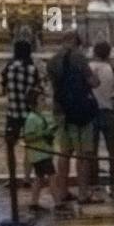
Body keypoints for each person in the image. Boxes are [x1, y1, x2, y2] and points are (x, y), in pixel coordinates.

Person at [46, 31, 100, 204]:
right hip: (81, 111)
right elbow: (93, 82)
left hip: (61, 110)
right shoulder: (79, 58)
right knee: (82, 154)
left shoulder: (53, 60)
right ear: (77, 43)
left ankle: (63, 191)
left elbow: (53, 85)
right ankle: (83, 192)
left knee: (64, 153)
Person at [0, 39, 41, 186]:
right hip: (29, 113)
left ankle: (12, 178)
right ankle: (27, 178)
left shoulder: (8, 68)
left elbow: (3, 89)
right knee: (30, 146)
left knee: (10, 146)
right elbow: (37, 90)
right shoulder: (32, 69)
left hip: (13, 113)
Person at [20, 86, 59, 213]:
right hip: (40, 155)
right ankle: (58, 202)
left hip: (42, 153)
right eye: (42, 100)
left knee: (39, 178)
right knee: (52, 177)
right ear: (34, 102)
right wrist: (44, 133)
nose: (44, 102)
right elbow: (28, 137)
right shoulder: (32, 119)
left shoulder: (38, 116)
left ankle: (34, 203)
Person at [88, 41, 114, 188]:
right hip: (108, 111)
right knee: (112, 148)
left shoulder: (89, 68)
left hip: (92, 112)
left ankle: (93, 180)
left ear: (94, 52)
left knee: (91, 149)